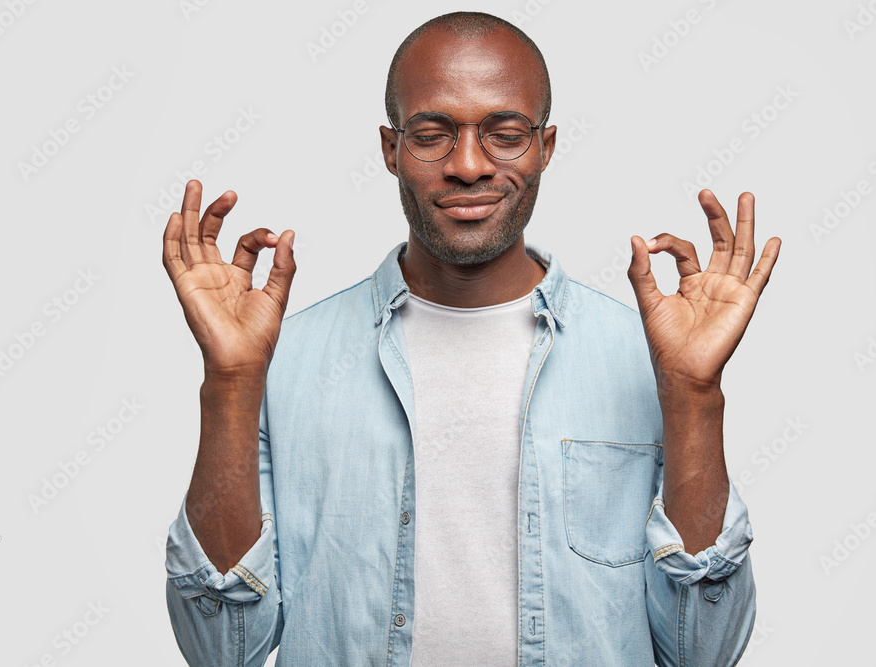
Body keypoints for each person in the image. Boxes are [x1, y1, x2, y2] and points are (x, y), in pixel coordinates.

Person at [162, 11, 780, 666]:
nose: (467, 165)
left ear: (545, 145)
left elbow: (702, 651)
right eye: (431, 134)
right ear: (389, 148)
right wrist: (229, 384)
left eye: (505, 134)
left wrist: (694, 393)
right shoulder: (284, 361)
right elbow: (221, 649)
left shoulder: (645, 358)